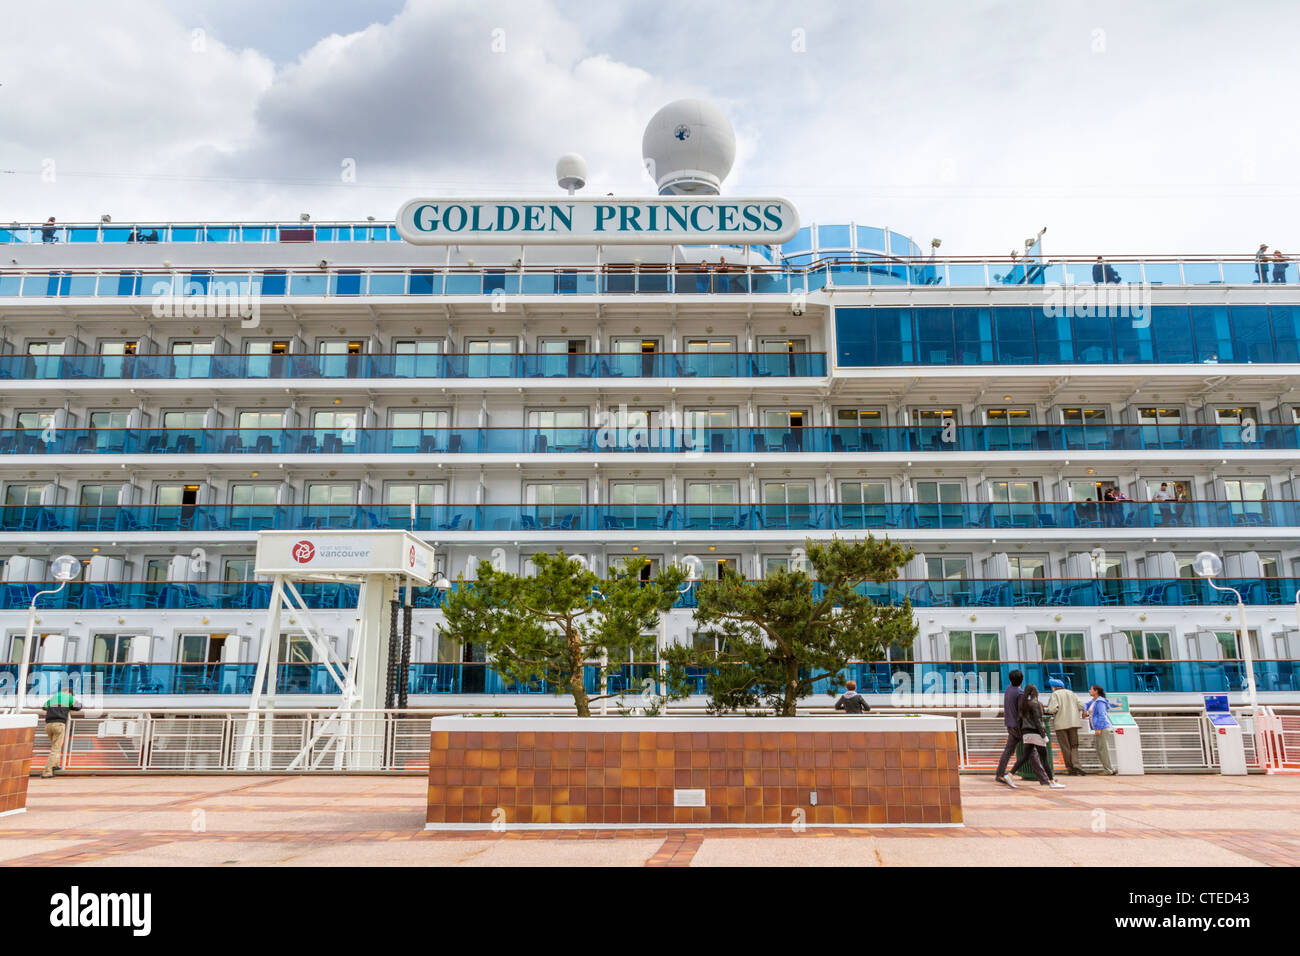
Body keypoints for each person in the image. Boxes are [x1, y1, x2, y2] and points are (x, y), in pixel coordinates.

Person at [1009, 684, 1066, 788]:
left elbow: (1019, 720)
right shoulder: (1035, 703)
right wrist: (1043, 735)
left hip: (1026, 734)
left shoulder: (1023, 704)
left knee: (1024, 757)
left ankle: (1010, 774)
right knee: (1044, 758)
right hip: (1036, 733)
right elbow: (1037, 721)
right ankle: (1052, 782)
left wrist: (1022, 734)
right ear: (1035, 692)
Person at [1043, 678, 1086, 775]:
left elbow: (1053, 709)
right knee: (1074, 745)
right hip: (1074, 723)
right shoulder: (1071, 693)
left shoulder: (1055, 694)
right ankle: (1076, 764)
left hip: (1061, 724)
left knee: (1065, 746)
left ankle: (1070, 768)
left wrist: (1047, 711)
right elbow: (1081, 705)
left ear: (1053, 687)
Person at [40, 687, 82, 777]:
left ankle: (55, 765)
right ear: (69, 693)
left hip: (48, 725)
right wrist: (69, 706)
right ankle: (47, 772)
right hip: (59, 724)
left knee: (55, 746)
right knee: (55, 749)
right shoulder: (69, 697)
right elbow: (78, 706)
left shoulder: (54, 697)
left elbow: (44, 707)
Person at [995, 669, 1025, 788]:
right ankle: (1046, 777)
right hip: (1018, 727)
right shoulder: (1020, 693)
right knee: (1032, 751)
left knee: (1008, 751)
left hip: (1009, 724)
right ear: (1022, 680)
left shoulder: (1008, 690)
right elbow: (1021, 712)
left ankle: (1000, 773)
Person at [1086, 684, 1119, 775]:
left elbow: (1102, 715)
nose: (1089, 691)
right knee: (1101, 749)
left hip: (1102, 728)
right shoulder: (1094, 701)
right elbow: (1086, 705)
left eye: (1091, 689)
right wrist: (1085, 710)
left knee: (1102, 750)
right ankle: (1110, 768)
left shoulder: (1100, 702)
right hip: (1101, 728)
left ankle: (1108, 770)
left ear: (1096, 691)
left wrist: (1099, 728)